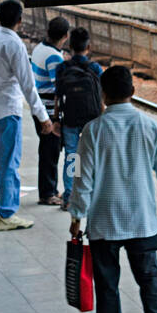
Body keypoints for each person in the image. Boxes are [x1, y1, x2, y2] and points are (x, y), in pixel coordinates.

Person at [68, 66, 157, 313]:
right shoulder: (149, 126)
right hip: (141, 220)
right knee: (150, 280)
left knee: (107, 285)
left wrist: (77, 215)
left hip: (104, 222)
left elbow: (82, 178)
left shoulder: (92, 131)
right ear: (133, 92)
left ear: (103, 95)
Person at [0, 0, 54, 230]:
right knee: (9, 162)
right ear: (20, 20)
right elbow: (28, 85)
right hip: (7, 110)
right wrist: (43, 117)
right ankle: (7, 214)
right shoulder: (15, 45)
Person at [56, 27, 104, 210]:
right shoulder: (94, 68)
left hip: (69, 119)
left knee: (72, 157)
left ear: (70, 46)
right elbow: (100, 96)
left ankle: (69, 197)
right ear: (88, 47)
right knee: (93, 156)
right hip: (91, 119)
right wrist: (102, 116)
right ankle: (94, 194)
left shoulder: (62, 68)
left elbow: (58, 95)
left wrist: (56, 119)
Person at [30, 16, 70, 206]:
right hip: (48, 112)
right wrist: (56, 118)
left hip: (39, 108)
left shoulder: (40, 48)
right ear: (65, 36)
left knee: (48, 151)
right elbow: (59, 89)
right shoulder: (54, 57)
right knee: (50, 152)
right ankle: (47, 193)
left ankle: (51, 189)